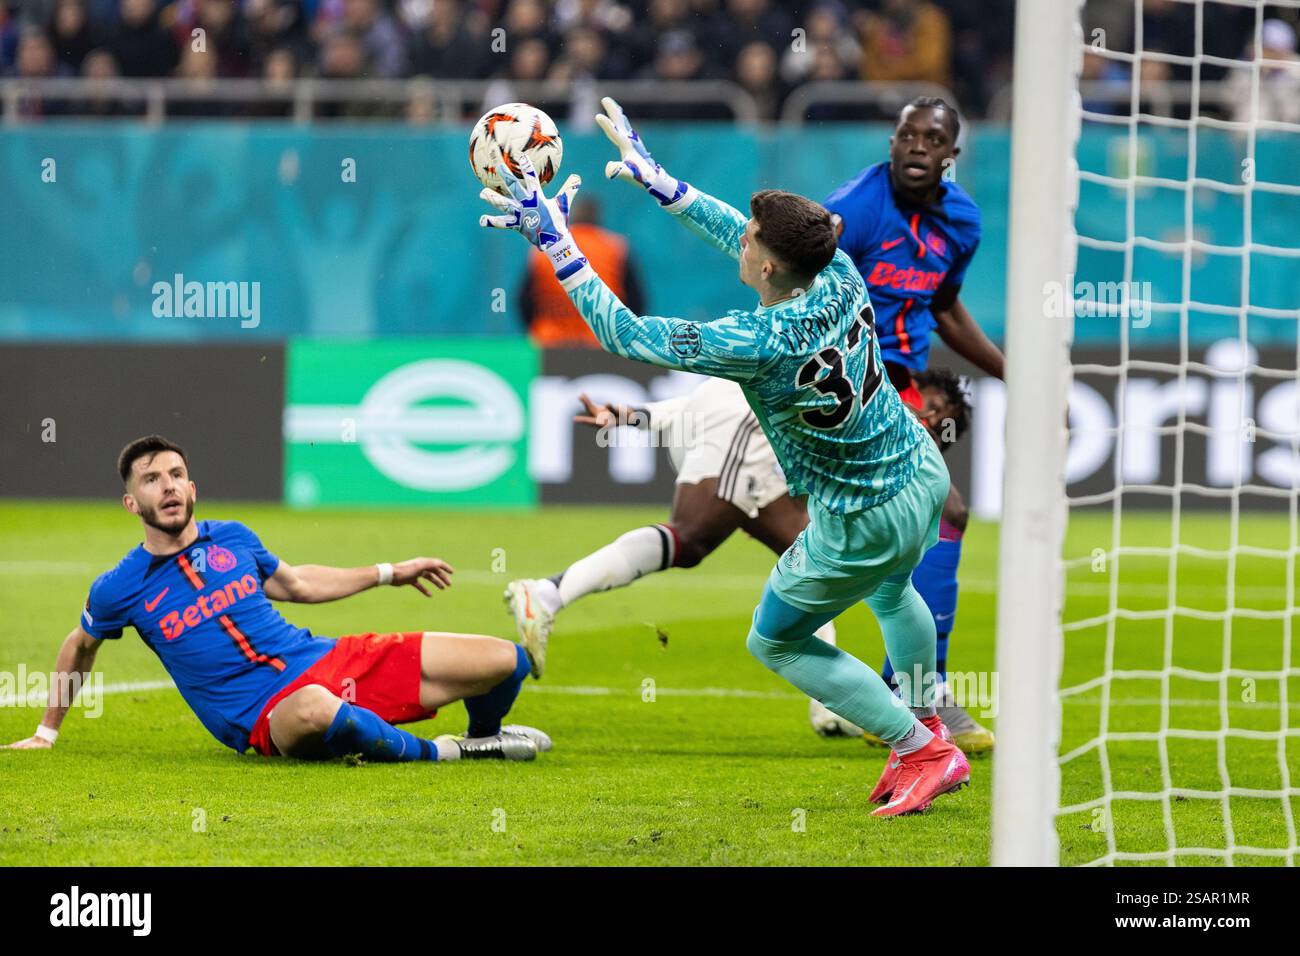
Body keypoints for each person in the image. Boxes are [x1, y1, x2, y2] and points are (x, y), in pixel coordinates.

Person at [480, 98, 969, 816]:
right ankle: (926, 719)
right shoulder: (838, 272)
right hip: (920, 474)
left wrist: (556, 241)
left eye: (747, 239)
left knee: (776, 641)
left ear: (767, 265)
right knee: (896, 595)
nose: (737, 241)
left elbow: (624, 333)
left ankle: (920, 747)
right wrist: (664, 185)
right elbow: (740, 233)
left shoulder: (755, 341)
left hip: (857, 517)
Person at [505, 369, 982, 746]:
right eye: (931, 408)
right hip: (747, 424)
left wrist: (635, 415)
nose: (928, 421)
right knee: (691, 539)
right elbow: (743, 384)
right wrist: (639, 415)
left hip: (749, 427)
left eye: (941, 422)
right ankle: (545, 593)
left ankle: (833, 707)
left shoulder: (879, 421)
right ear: (912, 390)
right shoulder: (868, 385)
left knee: (815, 563)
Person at [3, 435, 548, 763]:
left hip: (328, 660)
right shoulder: (120, 586)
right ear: (131, 501)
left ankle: (486, 739)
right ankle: (449, 753)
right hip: (266, 711)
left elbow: (297, 584)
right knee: (316, 710)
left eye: (176, 475)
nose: (167, 486)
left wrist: (390, 572)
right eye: (151, 480)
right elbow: (81, 645)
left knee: (508, 660)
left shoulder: (235, 538)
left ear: (193, 489)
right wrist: (47, 731)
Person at [823, 96, 1001, 754]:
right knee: (945, 510)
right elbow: (794, 284)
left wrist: (1011, 370)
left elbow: (945, 304)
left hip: (899, 383)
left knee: (924, 524)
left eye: (933, 138)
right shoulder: (856, 210)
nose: (918, 147)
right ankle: (919, 693)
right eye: (907, 135)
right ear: (892, 142)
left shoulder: (961, 221)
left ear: (951, 154)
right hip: (846, 381)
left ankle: (900, 691)